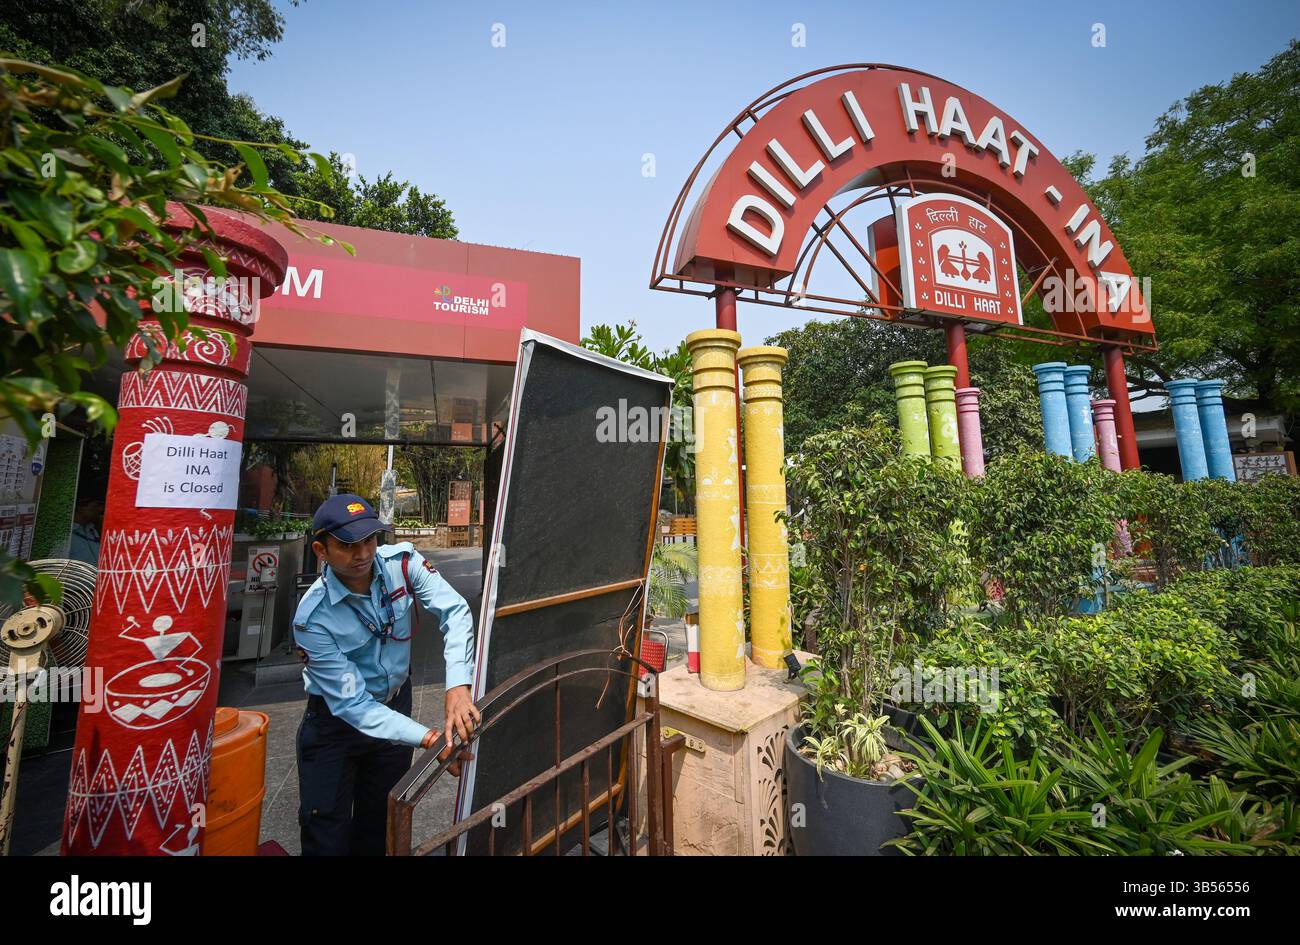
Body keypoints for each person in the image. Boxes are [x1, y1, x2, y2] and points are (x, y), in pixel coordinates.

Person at [293, 493, 480, 856]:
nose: (363, 553)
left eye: (369, 539)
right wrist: (428, 739)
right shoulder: (312, 618)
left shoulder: (403, 563)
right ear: (321, 549)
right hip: (336, 725)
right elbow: (355, 706)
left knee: (381, 823)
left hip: (395, 706)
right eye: (347, 545)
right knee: (325, 833)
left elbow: (455, 611)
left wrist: (458, 684)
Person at [67, 497, 103, 565]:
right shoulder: (67, 532)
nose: (100, 509)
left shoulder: (92, 531)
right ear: (80, 508)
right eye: (96, 506)